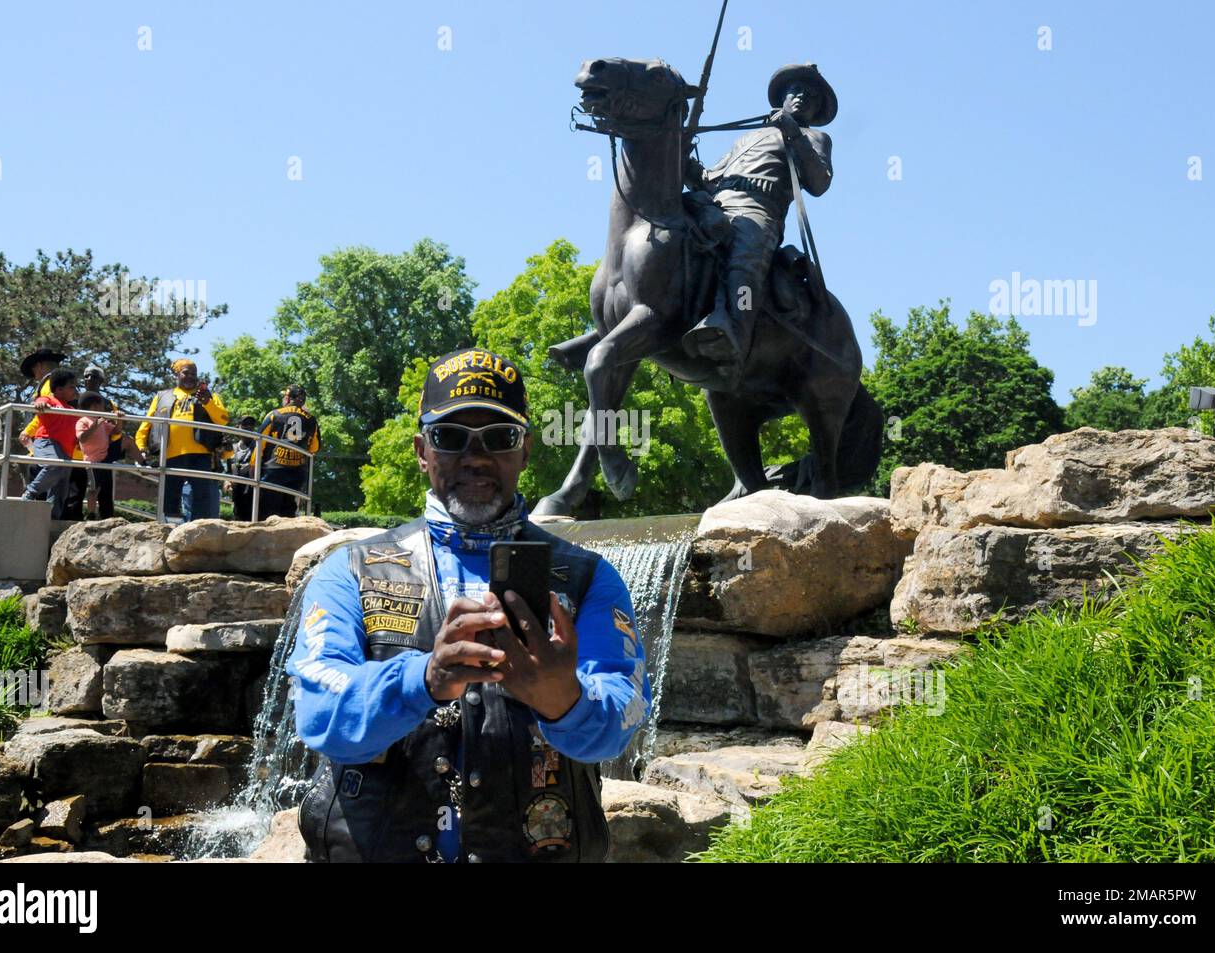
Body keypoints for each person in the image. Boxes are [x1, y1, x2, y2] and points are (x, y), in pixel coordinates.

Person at [291, 347, 651, 863]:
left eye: (499, 439)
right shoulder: (349, 570)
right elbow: (321, 717)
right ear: (422, 450)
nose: (476, 457)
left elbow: (624, 721)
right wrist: (425, 679)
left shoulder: (590, 578)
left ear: (525, 451)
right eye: (451, 437)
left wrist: (566, 700)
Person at [682, 62, 837, 365]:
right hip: (718, 202)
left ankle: (734, 336)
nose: (802, 97)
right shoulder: (747, 138)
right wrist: (683, 159)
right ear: (783, 97)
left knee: (745, 259)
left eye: (811, 96)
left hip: (759, 209)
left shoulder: (815, 138)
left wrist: (792, 132)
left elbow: (819, 182)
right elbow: (709, 179)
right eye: (797, 91)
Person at [134, 358, 230, 522]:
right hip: (171, 453)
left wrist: (208, 403)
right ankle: (170, 529)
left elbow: (223, 419)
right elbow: (147, 424)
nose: (191, 376)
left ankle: (199, 531)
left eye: (194, 374)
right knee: (170, 496)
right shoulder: (161, 396)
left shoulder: (208, 395)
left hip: (201, 453)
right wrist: (140, 448)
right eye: (186, 372)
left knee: (202, 496)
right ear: (176, 375)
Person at [254, 384, 320, 519]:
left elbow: (259, 441)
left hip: (273, 470)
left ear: (289, 398)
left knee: (267, 512)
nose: (284, 398)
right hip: (296, 472)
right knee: (288, 511)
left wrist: (253, 465)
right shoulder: (311, 420)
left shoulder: (274, 414)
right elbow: (315, 448)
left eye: (285, 396)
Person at [20, 369, 80, 516]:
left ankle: (54, 517)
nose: (75, 390)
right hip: (47, 443)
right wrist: (40, 405)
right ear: (59, 389)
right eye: (71, 386)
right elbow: (41, 401)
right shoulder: (50, 400)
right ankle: (30, 492)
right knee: (55, 464)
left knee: (61, 487)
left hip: (66, 451)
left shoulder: (71, 408)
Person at [73, 392, 122, 519]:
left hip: (104, 461)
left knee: (103, 489)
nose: (103, 408)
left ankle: (102, 515)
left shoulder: (103, 421)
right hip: (92, 462)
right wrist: (95, 425)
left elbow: (116, 431)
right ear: (95, 406)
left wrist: (119, 419)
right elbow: (82, 438)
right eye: (101, 405)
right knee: (93, 489)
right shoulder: (83, 421)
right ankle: (91, 513)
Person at [223, 415, 259, 521]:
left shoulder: (260, 446)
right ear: (238, 427)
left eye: (251, 425)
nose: (248, 427)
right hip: (238, 494)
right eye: (244, 425)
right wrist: (227, 481)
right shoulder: (232, 448)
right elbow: (228, 470)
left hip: (255, 494)